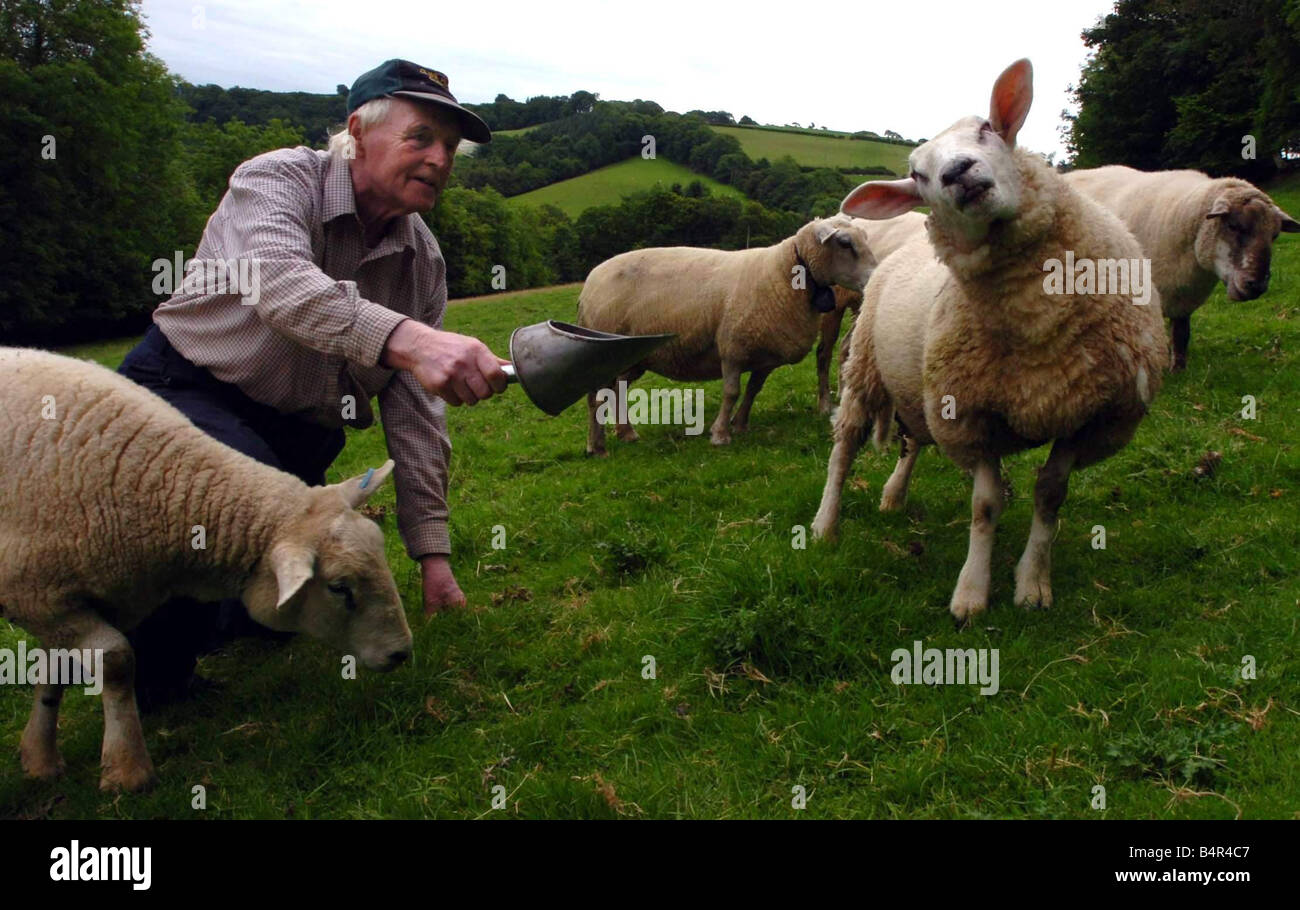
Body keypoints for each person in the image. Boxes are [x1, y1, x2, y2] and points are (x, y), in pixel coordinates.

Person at [117, 59, 508, 707]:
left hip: (301, 435)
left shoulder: (423, 260)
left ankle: (227, 624)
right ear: (358, 130)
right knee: (208, 530)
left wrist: (432, 558)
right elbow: (283, 287)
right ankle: (157, 685)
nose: (440, 158)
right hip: (186, 388)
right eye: (421, 138)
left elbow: (414, 415)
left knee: (271, 609)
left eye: (450, 146)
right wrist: (411, 340)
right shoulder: (274, 180)